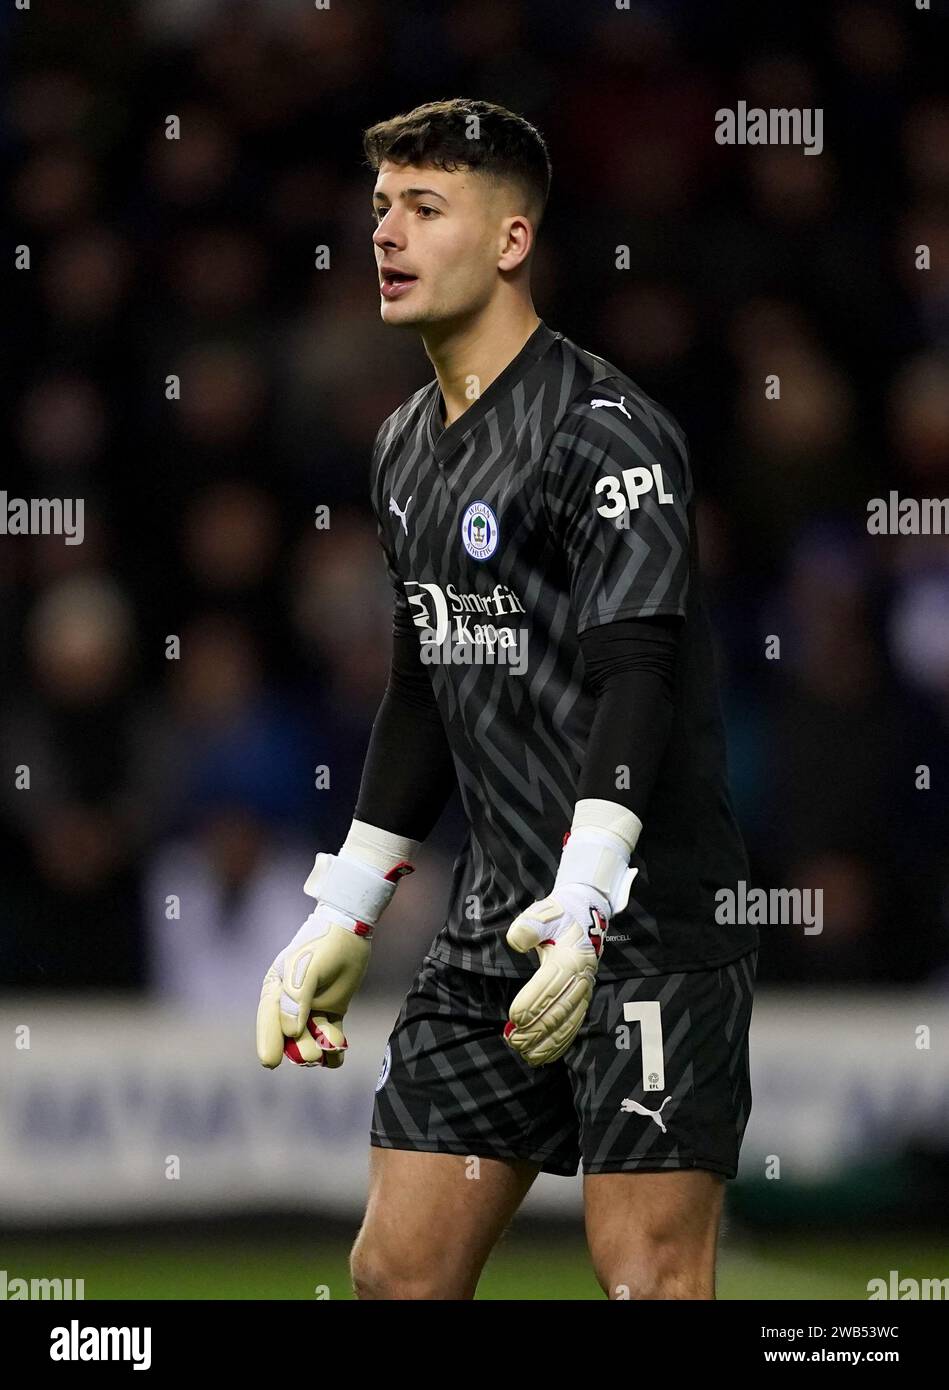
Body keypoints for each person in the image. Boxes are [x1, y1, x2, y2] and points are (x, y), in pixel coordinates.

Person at [256, 98, 758, 1301]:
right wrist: (347, 909)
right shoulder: (400, 449)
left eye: (425, 208)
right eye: (381, 208)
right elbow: (426, 687)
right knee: (397, 1271)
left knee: (646, 1279)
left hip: (642, 934)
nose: (387, 234)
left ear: (511, 239)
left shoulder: (607, 432)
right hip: (493, 930)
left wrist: (585, 903)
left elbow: (636, 676)